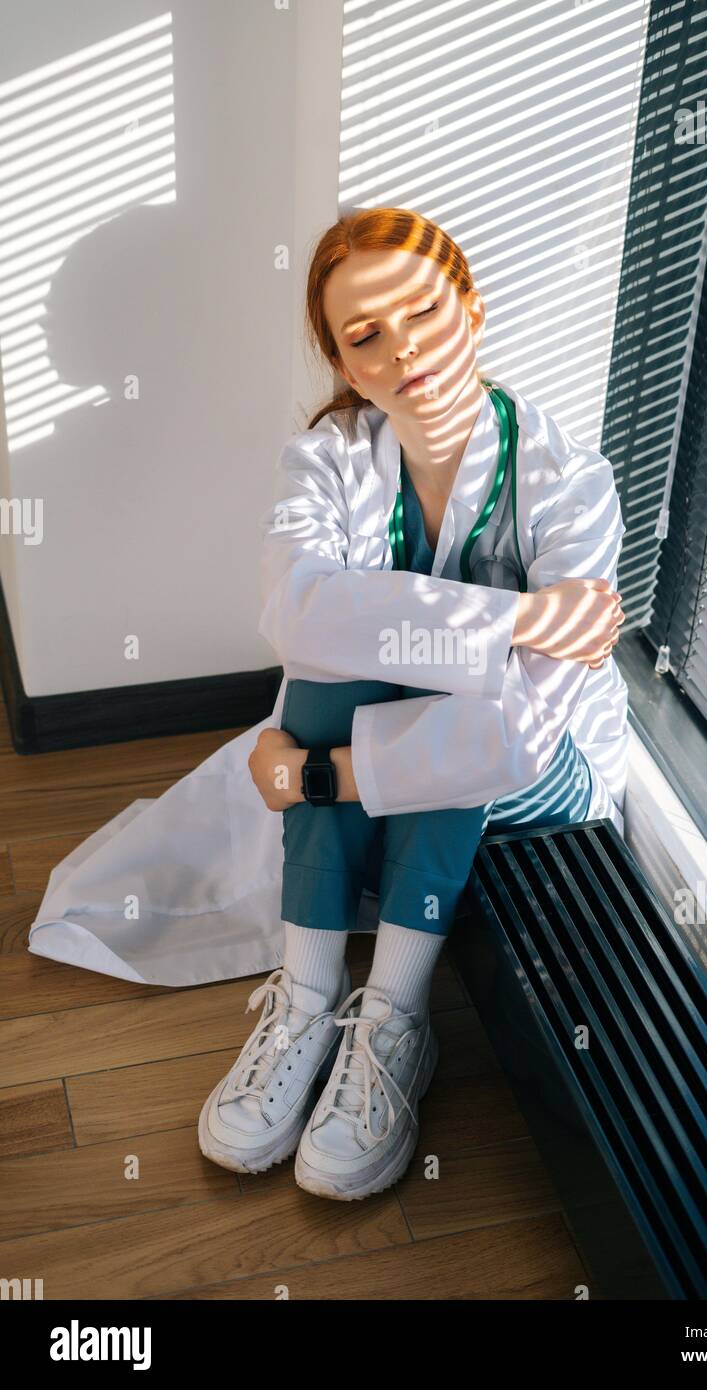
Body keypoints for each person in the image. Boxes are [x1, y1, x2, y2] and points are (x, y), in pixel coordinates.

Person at [197, 206, 628, 1201]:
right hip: (417, 739)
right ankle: (306, 1004)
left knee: (439, 681)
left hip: (534, 778)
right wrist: (514, 620)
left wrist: (315, 773)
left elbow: (512, 738)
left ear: (468, 308)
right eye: (365, 336)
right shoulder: (331, 456)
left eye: (422, 312)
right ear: (345, 366)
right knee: (333, 661)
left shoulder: (569, 481)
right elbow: (296, 615)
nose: (404, 351)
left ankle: (392, 1018)